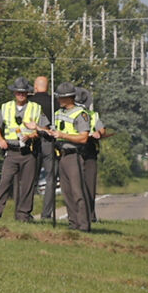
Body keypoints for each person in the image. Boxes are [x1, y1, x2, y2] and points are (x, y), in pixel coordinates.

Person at [30, 82, 91, 231]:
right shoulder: (58, 114)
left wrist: (63, 135)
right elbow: (52, 132)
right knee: (67, 192)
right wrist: (38, 128)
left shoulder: (80, 114)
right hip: (61, 155)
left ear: (70, 98)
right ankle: (73, 223)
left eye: (62, 98)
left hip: (74, 156)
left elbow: (83, 138)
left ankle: (83, 224)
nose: (59, 100)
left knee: (77, 192)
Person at [0, 77, 48, 222]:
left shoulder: (36, 108)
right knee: (5, 182)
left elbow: (44, 128)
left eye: (23, 92)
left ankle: (23, 215)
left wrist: (33, 135)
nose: (21, 95)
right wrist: (0, 140)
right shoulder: (6, 107)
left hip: (29, 151)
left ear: (28, 93)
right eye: (18, 92)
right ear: (14, 92)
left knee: (27, 185)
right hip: (11, 151)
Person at [28, 76, 59, 220]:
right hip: (49, 141)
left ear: (35, 87)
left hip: (33, 140)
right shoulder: (55, 102)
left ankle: (26, 210)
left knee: (30, 177)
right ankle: (46, 213)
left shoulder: (30, 102)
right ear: (48, 87)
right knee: (51, 177)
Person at [78, 88, 106, 222]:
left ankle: (91, 215)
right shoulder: (68, 115)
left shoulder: (93, 115)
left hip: (89, 153)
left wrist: (98, 134)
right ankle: (78, 214)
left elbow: (102, 129)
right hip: (74, 152)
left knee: (90, 185)